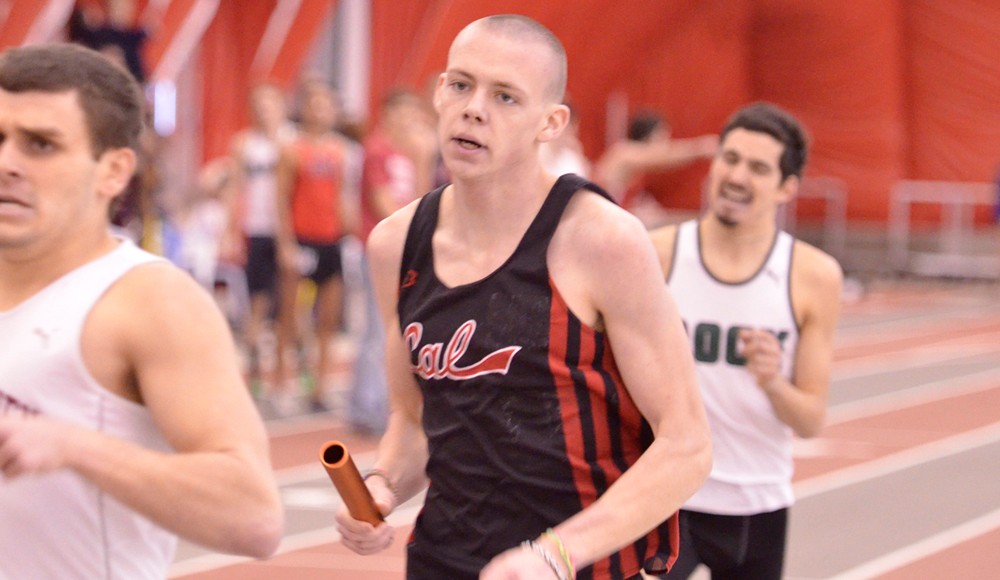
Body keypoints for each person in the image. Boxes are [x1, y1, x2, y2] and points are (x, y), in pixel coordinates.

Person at [335, 15, 712, 579]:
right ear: (438, 92)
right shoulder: (395, 244)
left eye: (506, 96)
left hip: (577, 564)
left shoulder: (602, 241)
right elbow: (411, 421)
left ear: (550, 122)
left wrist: (554, 556)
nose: (474, 108)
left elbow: (687, 445)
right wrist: (381, 486)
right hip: (445, 559)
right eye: (460, 85)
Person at [0, 44, 283, 579]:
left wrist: (74, 446)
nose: (6, 162)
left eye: (40, 144)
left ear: (113, 171)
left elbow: (255, 517)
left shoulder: (148, 301)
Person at [649, 102, 844, 579]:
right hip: (667, 493)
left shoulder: (812, 276)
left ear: (786, 188)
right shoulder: (657, 254)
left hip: (756, 501)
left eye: (758, 168)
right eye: (729, 159)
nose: (737, 176)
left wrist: (773, 381)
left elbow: (812, 421)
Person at [347, 87, 437, 435]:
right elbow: (383, 204)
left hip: (404, 247)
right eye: (405, 116)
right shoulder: (377, 150)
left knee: (396, 329)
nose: (411, 124)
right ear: (388, 115)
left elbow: (424, 197)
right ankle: (366, 406)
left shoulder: (407, 153)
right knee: (377, 328)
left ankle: (380, 403)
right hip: (380, 249)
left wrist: (422, 161)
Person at [274, 79, 360, 414]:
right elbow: (281, 199)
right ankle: (282, 383)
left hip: (332, 240)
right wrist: (285, 244)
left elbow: (344, 196)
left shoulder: (341, 151)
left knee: (328, 319)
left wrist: (349, 233)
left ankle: (320, 386)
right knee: (289, 316)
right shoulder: (292, 149)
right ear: (304, 108)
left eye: (327, 104)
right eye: (315, 104)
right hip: (301, 239)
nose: (322, 111)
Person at [221, 82, 296, 397]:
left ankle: (283, 376)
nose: (265, 111)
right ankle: (253, 377)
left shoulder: (294, 140)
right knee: (257, 304)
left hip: (290, 232)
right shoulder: (244, 144)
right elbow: (234, 187)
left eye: (271, 104)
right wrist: (231, 230)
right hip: (256, 230)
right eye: (259, 105)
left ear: (281, 106)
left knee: (290, 308)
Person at [594, 110, 717, 225]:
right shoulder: (623, 153)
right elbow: (664, 156)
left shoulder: (633, 166)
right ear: (649, 136)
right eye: (663, 138)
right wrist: (700, 148)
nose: (666, 144)